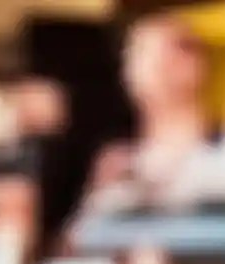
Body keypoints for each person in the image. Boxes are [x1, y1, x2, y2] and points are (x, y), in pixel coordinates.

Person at [71, 13, 217, 223]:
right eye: (131, 57)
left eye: (144, 55)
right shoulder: (116, 162)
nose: (132, 71)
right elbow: (81, 241)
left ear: (191, 66)